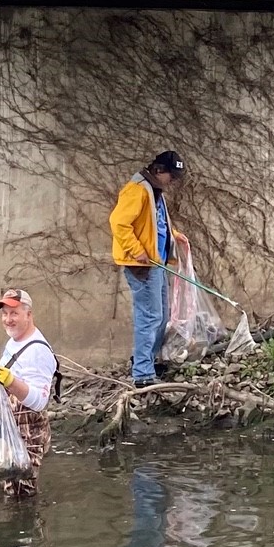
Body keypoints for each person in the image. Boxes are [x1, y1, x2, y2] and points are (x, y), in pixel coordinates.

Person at [109, 150, 185, 387]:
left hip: (157, 263)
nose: (172, 180)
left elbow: (154, 225)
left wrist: (175, 236)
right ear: (158, 170)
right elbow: (119, 223)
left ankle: (147, 361)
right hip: (142, 265)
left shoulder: (154, 191)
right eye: (171, 175)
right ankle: (142, 373)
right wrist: (136, 249)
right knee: (149, 316)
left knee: (160, 315)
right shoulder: (137, 189)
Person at [0, 288, 59, 497]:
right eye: (4, 313)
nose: (8, 319)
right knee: (9, 490)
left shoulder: (38, 351)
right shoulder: (14, 341)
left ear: (28, 315)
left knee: (21, 495)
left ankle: (29, 527)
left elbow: (39, 402)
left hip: (27, 438)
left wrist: (11, 382)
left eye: (14, 313)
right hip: (11, 433)